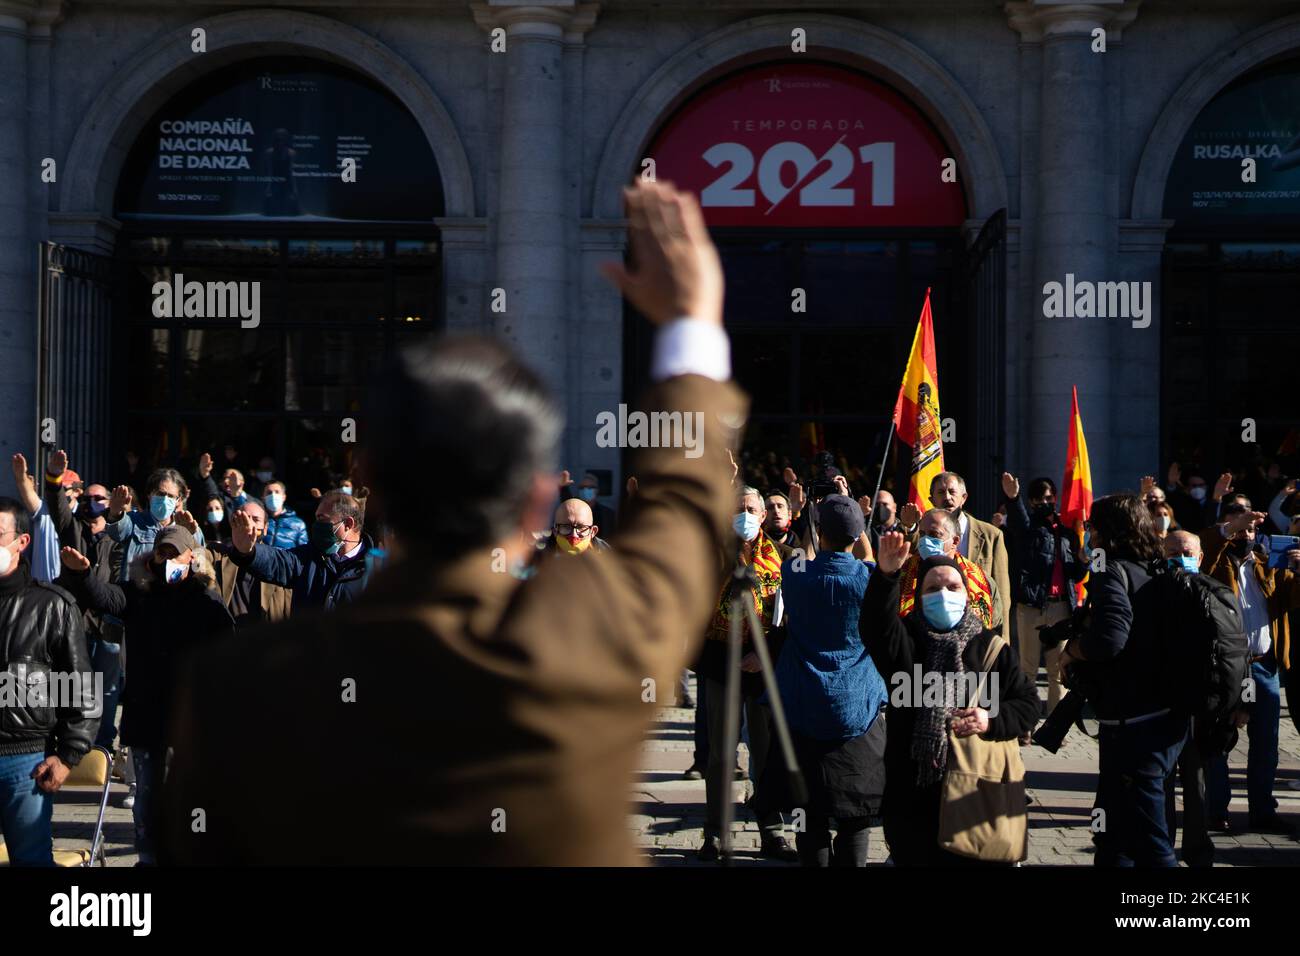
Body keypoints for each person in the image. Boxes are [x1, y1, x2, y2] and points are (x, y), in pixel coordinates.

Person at [161, 179, 747, 866]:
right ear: (537, 503)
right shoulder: (590, 634)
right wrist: (691, 327)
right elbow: (681, 517)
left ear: (369, 487)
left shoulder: (240, 686)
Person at [58, 525, 234, 864]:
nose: (167, 559)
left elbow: (228, 639)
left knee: (191, 794)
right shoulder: (139, 592)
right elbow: (104, 597)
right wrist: (82, 575)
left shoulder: (205, 598)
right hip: (146, 713)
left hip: (189, 717)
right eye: (161, 552)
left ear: (191, 558)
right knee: (148, 796)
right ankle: (148, 857)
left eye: (174, 553)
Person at [860, 531, 1038, 865]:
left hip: (976, 793)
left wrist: (990, 720)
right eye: (932, 588)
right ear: (919, 596)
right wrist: (885, 577)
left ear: (967, 596)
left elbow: (1027, 705)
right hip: (912, 795)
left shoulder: (991, 648)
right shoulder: (906, 640)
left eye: (952, 587)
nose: (943, 595)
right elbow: (874, 628)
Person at [1056, 494, 1188, 866]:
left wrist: (1073, 651)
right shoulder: (1158, 566)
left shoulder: (1110, 569)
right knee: (1116, 838)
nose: (1089, 533)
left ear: (1105, 531)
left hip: (1134, 727)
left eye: (1093, 526)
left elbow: (1110, 638)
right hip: (1163, 717)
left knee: (1152, 843)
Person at [763, 494, 887, 866]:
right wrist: (861, 524)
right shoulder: (868, 579)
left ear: (819, 532)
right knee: (855, 817)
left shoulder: (798, 575)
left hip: (803, 706)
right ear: (858, 534)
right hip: (859, 708)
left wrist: (810, 524)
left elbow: (800, 557)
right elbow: (867, 560)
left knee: (809, 818)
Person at [693, 484, 796, 863]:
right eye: (739, 509)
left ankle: (773, 830)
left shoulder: (785, 556)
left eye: (752, 509)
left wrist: (762, 653)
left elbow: (793, 618)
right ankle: (715, 833)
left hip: (766, 666)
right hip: (721, 663)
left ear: (763, 515)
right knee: (721, 753)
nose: (746, 516)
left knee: (767, 752)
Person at [0, 496, 98, 866]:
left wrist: (68, 756)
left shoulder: (53, 606)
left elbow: (83, 691)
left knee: (31, 860)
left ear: (21, 542)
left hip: (25, 762)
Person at [1199, 501, 1300, 835]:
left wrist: (1299, 571)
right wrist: (1228, 530)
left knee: (1266, 743)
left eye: (1251, 529)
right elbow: (1204, 559)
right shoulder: (1213, 562)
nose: (1247, 534)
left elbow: (1292, 599)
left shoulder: (1266, 565)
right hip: (1225, 667)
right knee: (1219, 740)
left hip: (1264, 667)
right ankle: (1215, 810)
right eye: (1239, 527)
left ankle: (1262, 809)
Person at [43, 451, 124, 756]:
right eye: (89, 497)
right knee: (73, 686)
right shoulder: (72, 527)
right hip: (75, 622)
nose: (94, 503)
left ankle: (102, 746)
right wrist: (53, 477)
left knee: (107, 690)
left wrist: (119, 516)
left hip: (108, 626)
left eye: (101, 498)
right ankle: (73, 744)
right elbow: (55, 503)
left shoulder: (119, 534)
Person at [1000, 473, 1088, 720]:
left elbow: (1075, 574)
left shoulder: (1068, 532)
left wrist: (1082, 562)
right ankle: (1025, 724)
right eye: (1038, 500)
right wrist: (1013, 498)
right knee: (1027, 668)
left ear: (1056, 498)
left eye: (1049, 498)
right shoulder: (1028, 529)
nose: (1045, 503)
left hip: (1061, 607)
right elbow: (1018, 523)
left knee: (1058, 670)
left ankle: (1054, 727)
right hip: (1032, 606)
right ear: (1031, 503)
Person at [1159, 530, 1216, 867]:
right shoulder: (1152, 591)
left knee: (1196, 784)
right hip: (1160, 705)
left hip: (1198, 706)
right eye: (1171, 552)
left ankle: (1198, 852)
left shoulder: (1213, 593)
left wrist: (1238, 702)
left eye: (1186, 552)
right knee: (1160, 783)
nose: (1179, 558)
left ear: (1200, 556)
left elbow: (1230, 649)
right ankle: (1161, 850)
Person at [225, 490, 373, 611]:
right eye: (316, 518)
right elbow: (277, 561)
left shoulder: (375, 568)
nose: (316, 525)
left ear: (347, 524)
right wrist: (248, 551)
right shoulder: (308, 557)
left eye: (322, 519)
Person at [929, 471, 1011, 637]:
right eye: (940, 492)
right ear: (931, 500)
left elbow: (1001, 596)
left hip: (977, 631)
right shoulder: (925, 534)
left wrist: (1001, 644)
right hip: (935, 629)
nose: (947, 497)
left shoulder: (991, 536)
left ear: (963, 498)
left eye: (952, 492)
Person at [896, 508, 1000, 631]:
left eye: (934, 534)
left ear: (955, 541)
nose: (925, 540)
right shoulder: (900, 575)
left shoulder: (983, 581)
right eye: (922, 534)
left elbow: (996, 628)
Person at [104, 468, 205, 582]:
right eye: (160, 494)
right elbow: (117, 532)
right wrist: (115, 513)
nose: (165, 500)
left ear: (178, 500)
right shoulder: (134, 521)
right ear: (149, 494)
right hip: (139, 593)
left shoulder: (190, 527)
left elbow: (201, 566)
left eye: (171, 496)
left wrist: (188, 536)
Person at [207, 500, 292, 628]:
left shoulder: (279, 565)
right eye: (244, 518)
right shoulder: (217, 555)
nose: (249, 524)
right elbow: (198, 559)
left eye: (255, 519)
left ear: (265, 528)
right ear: (233, 524)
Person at [542, 497, 611, 556]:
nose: (574, 535)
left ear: (593, 532)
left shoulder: (609, 557)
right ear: (555, 531)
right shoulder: (540, 558)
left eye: (581, 527)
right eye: (566, 527)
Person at [561, 471, 617, 537]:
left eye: (590, 487)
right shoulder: (573, 510)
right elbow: (568, 506)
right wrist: (564, 488)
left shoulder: (608, 514)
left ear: (597, 490)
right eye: (582, 487)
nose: (586, 490)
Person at [262, 480, 309, 549]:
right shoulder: (257, 519)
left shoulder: (298, 524)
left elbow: (304, 552)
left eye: (277, 492)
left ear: (284, 497)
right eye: (269, 493)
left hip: (286, 559)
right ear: (263, 497)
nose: (273, 495)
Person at [862, 488, 902, 556]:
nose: (881, 507)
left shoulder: (904, 530)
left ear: (894, 507)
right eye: (876, 504)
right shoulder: (866, 528)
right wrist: (861, 516)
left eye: (885, 504)